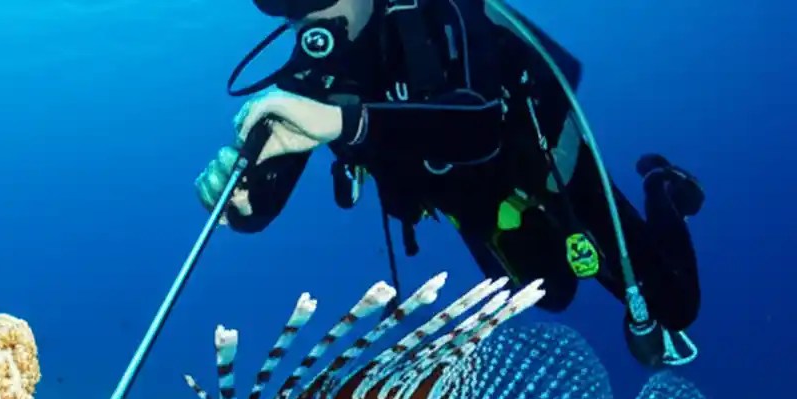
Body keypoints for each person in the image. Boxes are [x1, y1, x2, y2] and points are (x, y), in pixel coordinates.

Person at [195, 0, 706, 367]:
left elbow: (478, 124)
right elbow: (263, 204)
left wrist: (346, 123)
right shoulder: (312, 76)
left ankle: (661, 186)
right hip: (477, 212)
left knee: (676, 308)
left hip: (553, 173)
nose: (302, 15)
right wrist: (238, 202)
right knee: (552, 297)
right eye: (278, 1)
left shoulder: (441, 12)